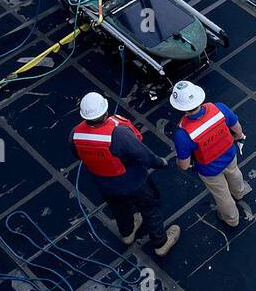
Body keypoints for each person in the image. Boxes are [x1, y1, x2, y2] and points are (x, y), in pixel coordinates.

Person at [71, 91, 180, 256]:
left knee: (119, 209)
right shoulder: (119, 134)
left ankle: (127, 233)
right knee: (150, 208)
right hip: (134, 182)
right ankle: (160, 243)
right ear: (106, 111)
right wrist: (161, 163)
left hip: (105, 184)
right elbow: (145, 156)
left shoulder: (75, 134)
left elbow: (77, 154)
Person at [169, 80, 252, 227]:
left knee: (222, 194)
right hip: (230, 155)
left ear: (181, 107)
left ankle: (232, 219)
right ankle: (239, 192)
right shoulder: (219, 108)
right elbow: (237, 129)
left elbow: (184, 164)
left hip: (210, 170)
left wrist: (178, 163)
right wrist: (238, 137)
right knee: (234, 172)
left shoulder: (183, 134)